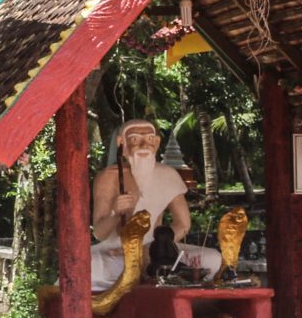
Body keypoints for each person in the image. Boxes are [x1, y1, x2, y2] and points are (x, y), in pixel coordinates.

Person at [89, 118, 220, 292]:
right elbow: (99, 232)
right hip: (116, 252)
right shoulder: (109, 177)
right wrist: (115, 212)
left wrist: (160, 246)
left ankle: (161, 273)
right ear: (122, 143)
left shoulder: (167, 174)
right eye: (135, 139)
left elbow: (183, 224)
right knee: (90, 264)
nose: (144, 145)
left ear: (157, 143)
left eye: (150, 139)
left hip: (155, 251)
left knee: (212, 258)